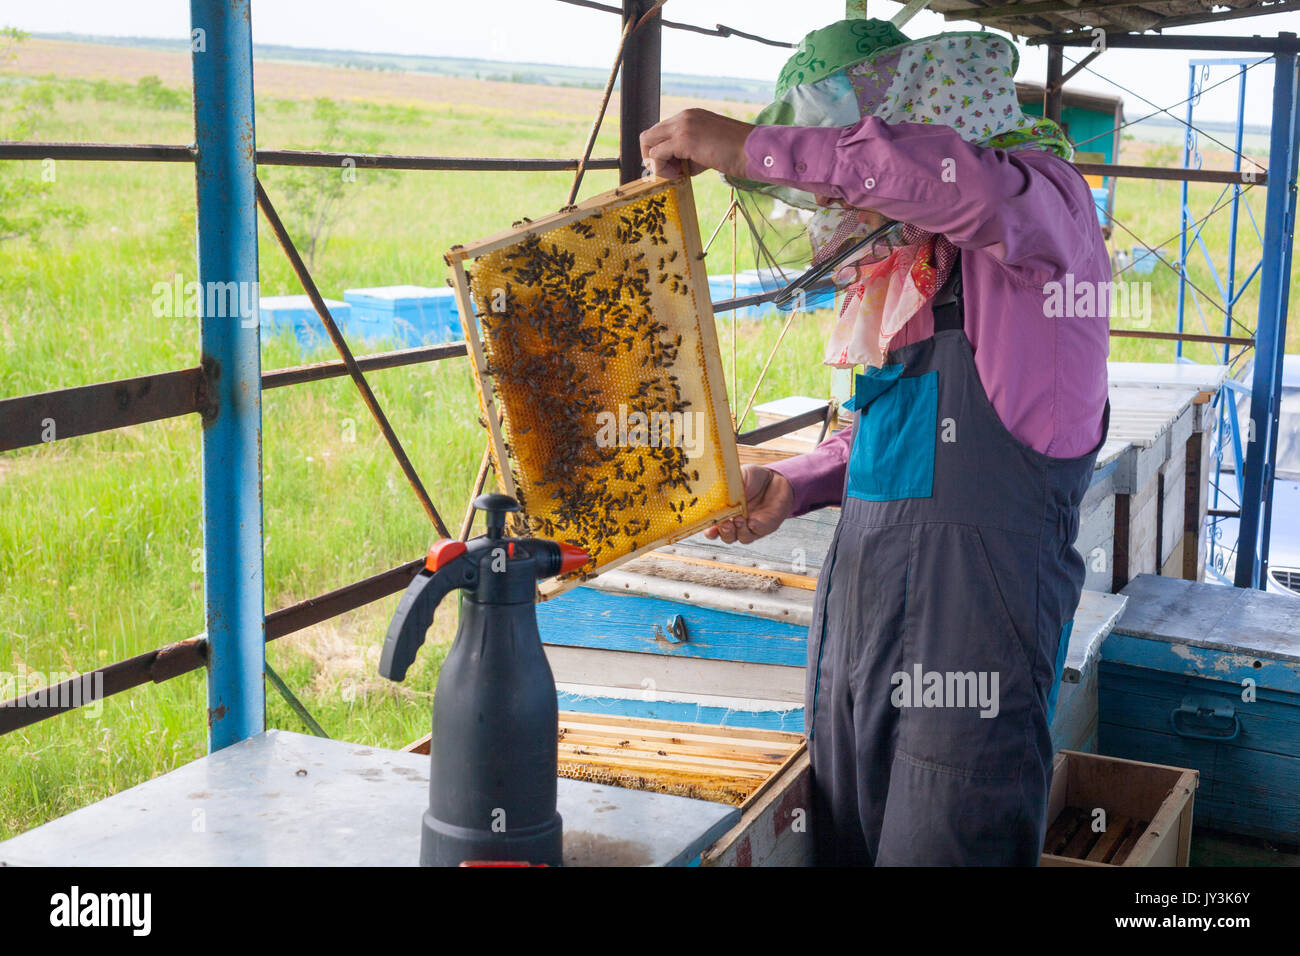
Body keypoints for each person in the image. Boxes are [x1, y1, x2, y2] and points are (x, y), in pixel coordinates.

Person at [640, 18, 1110, 865]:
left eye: (842, 166)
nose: (833, 204)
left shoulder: (1044, 214)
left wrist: (758, 148)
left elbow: (950, 183)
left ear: (916, 110)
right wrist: (796, 484)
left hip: (970, 650)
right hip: (859, 632)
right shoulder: (912, 273)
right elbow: (889, 433)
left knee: (944, 838)